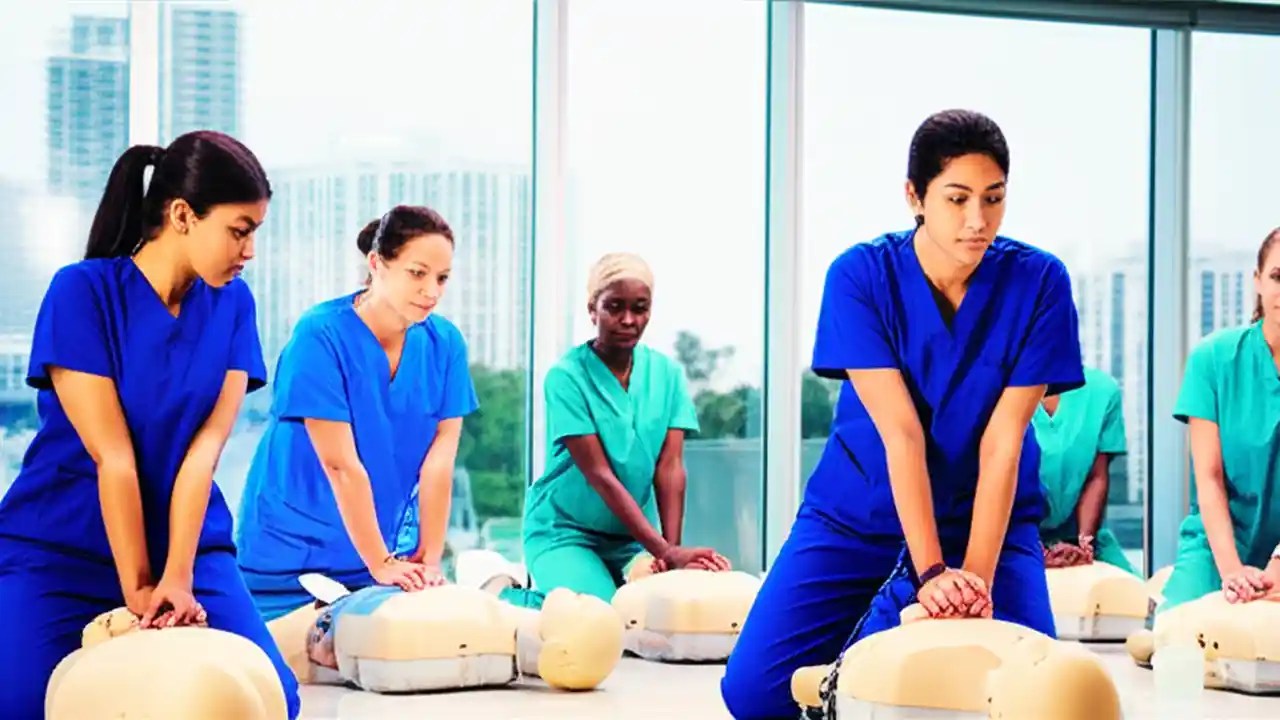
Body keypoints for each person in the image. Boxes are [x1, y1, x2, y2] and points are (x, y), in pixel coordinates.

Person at [720, 109, 1085, 720]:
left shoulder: (1040, 282)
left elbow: (1004, 440)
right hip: (857, 515)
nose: (978, 220)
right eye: (957, 199)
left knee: (1023, 697)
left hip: (986, 527)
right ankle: (876, 646)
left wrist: (972, 583)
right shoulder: (861, 277)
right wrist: (932, 570)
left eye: (994, 198)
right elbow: (902, 434)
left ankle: (883, 652)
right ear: (915, 196)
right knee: (757, 696)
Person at [0, 131, 299, 719]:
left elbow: (202, 453)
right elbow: (113, 457)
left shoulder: (234, 305)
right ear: (182, 215)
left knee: (268, 700)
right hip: (63, 545)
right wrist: (138, 589)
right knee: (20, 703)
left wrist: (177, 578)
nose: (250, 251)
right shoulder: (81, 292)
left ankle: (299, 632)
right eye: (239, 231)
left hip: (187, 547)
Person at [236, 206, 530, 620]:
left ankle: (495, 581)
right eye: (417, 273)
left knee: (430, 632)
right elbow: (340, 465)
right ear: (376, 264)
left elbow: (439, 462)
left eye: (442, 278)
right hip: (289, 559)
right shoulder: (320, 335)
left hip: (383, 559)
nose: (431, 291)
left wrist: (429, 557)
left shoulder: (445, 344)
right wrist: (380, 562)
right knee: (315, 643)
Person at [521, 252, 731, 603]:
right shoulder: (566, 377)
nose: (628, 320)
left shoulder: (667, 375)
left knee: (657, 608)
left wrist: (670, 556)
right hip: (565, 531)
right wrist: (664, 550)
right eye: (614, 307)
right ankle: (501, 595)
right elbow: (599, 474)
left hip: (635, 540)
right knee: (596, 614)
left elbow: (670, 468)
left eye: (640, 308)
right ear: (593, 309)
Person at [1158, 228, 1280, 612]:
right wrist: (1232, 572)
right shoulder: (1212, 358)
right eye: (1278, 277)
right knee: (1177, 627)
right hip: (1219, 540)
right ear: (1257, 280)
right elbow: (1208, 478)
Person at [1033, 366, 1139, 575]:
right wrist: (1032, 549)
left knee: (1133, 591)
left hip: (1076, 536)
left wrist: (1083, 546)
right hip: (1008, 539)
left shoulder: (1102, 390)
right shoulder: (995, 389)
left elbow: (1096, 476)